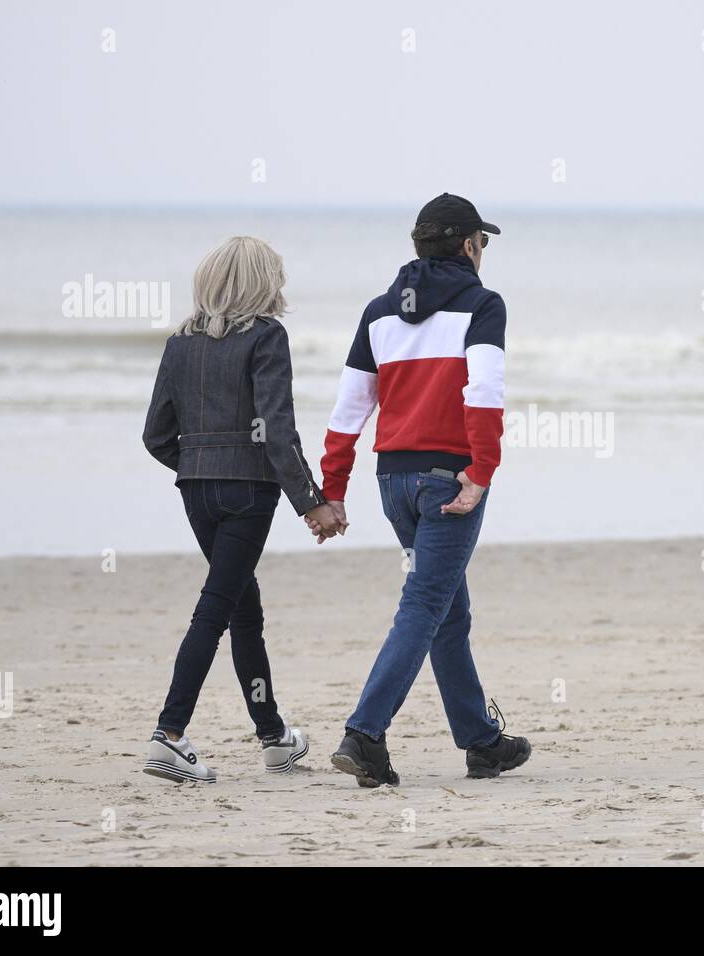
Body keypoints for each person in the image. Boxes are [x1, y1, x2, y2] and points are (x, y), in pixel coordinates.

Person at [313, 193, 531, 786]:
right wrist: (482, 471)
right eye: (481, 242)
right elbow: (483, 391)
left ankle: (482, 743)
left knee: (446, 609)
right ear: (467, 245)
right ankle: (364, 734)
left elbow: (349, 407)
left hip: (394, 482)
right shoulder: (483, 305)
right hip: (448, 480)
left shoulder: (379, 311)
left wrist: (333, 487)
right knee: (423, 606)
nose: (482, 252)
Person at [142, 236, 343, 783]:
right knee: (215, 608)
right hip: (248, 493)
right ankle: (170, 735)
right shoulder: (267, 336)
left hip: (195, 488)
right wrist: (314, 502)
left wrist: (199, 464)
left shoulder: (179, 342)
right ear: (263, 283)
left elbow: (155, 435)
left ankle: (274, 737)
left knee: (241, 607)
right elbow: (277, 429)